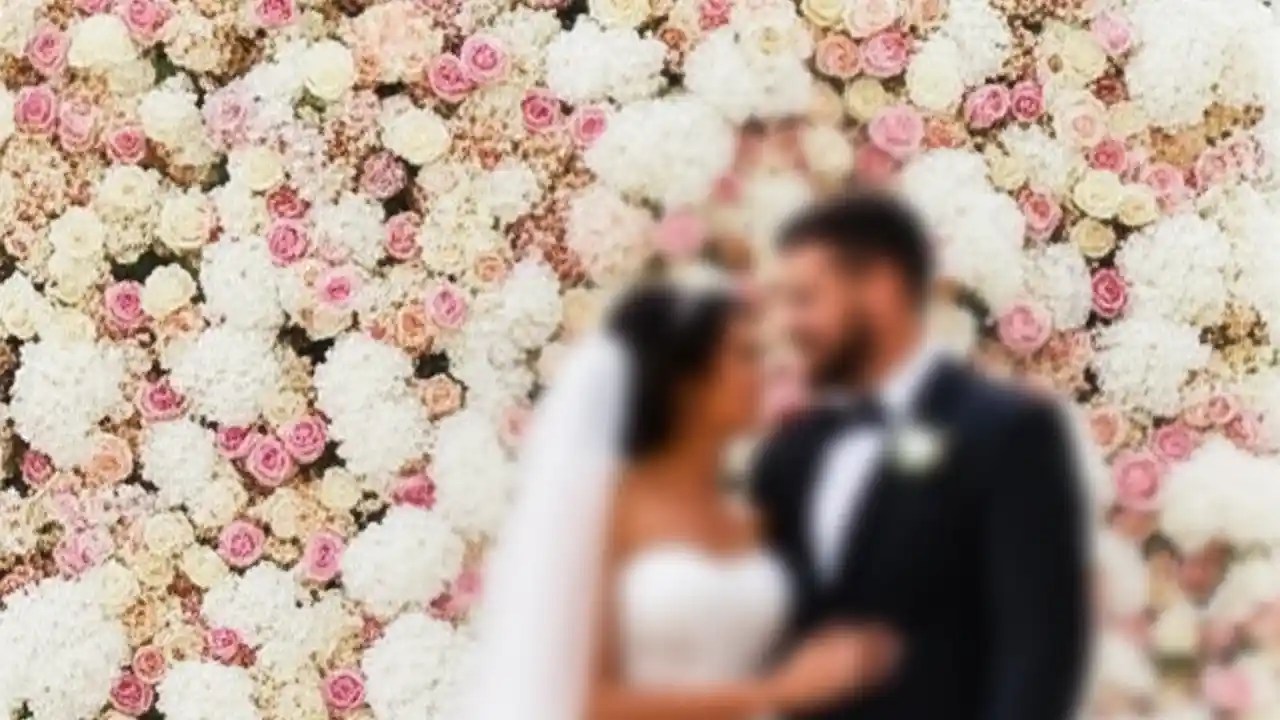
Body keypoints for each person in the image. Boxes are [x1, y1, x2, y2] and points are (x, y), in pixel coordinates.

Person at [462, 279, 900, 720]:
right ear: (683, 380)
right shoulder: (606, 509)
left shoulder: (751, 516)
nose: (764, 372)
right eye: (745, 355)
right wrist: (778, 690)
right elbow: (583, 699)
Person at [753, 193, 1092, 720]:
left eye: (805, 298)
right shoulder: (797, 448)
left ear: (881, 288)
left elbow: (1039, 644)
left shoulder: (1005, 434)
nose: (790, 323)